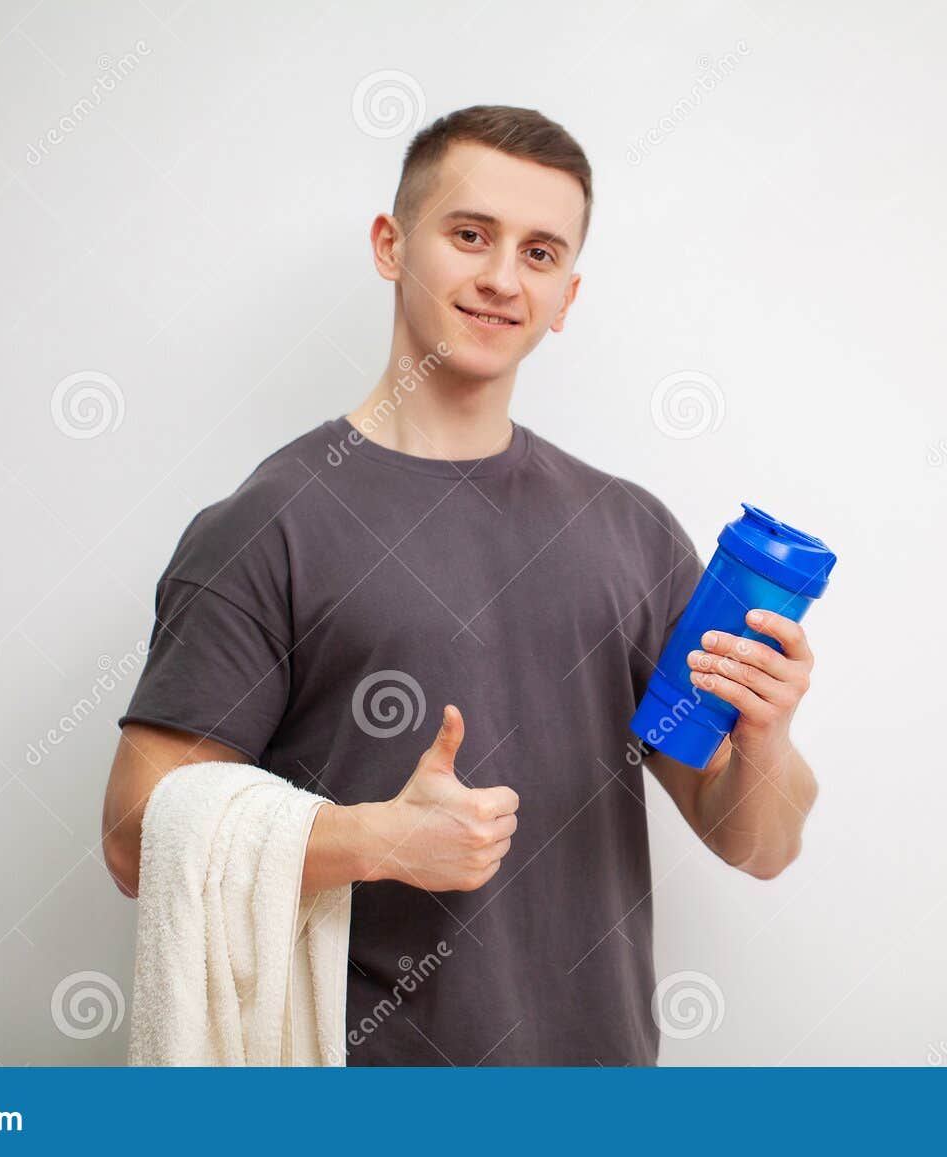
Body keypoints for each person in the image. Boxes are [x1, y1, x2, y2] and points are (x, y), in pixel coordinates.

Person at [100, 105, 820, 1066]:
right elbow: (135, 837)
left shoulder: (631, 530)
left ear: (566, 295)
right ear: (391, 245)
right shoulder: (270, 523)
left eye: (539, 253)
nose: (501, 278)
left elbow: (758, 845)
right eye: (471, 235)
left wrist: (765, 737)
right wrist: (377, 841)